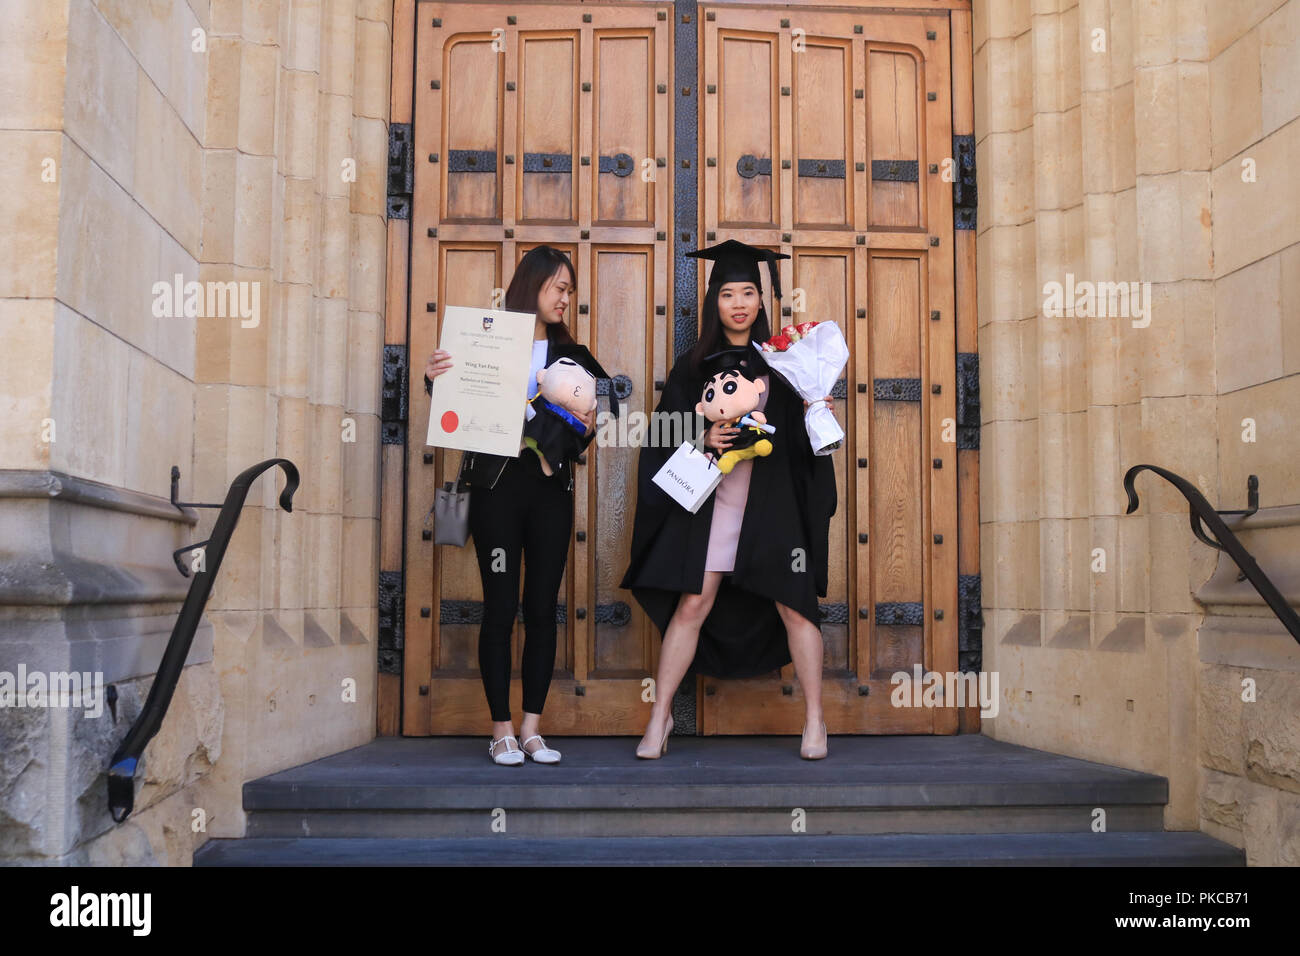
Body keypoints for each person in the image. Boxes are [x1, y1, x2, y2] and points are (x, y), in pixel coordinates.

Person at [619, 239, 837, 760]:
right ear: (714, 302)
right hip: (714, 503)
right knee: (693, 603)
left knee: (794, 606)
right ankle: (661, 717)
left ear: (761, 302)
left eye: (747, 293)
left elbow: (807, 439)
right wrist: (703, 439)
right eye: (727, 294)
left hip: (773, 504)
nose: (738, 303)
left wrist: (816, 407)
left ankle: (815, 720)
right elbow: (663, 437)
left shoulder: (786, 363)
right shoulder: (691, 367)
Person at [424, 246, 610, 766]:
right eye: (559, 288)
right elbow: (451, 400)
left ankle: (532, 727)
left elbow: (591, 429)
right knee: (501, 607)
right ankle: (500, 729)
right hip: (495, 490)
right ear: (532, 286)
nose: (566, 299)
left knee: (542, 608)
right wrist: (434, 376)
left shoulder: (574, 353)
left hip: (550, 493)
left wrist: (588, 423)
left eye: (570, 291)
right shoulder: (485, 341)